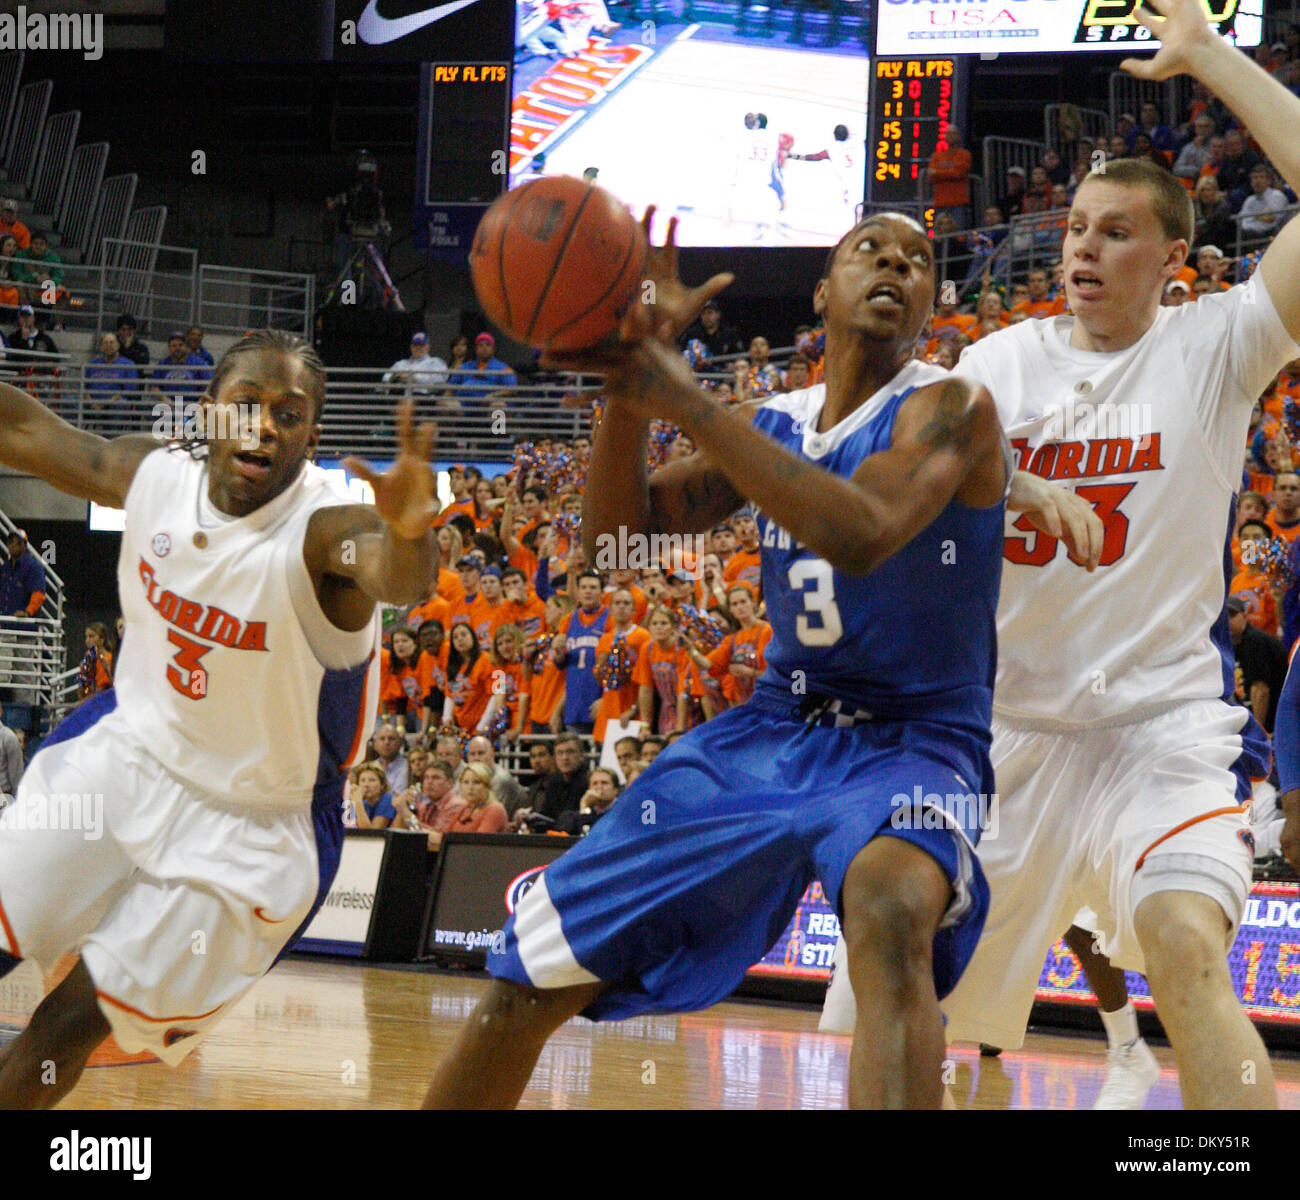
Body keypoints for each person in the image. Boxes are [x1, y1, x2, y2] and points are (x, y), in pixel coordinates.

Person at [425, 202, 1087, 1111]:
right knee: (526, 977)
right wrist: (624, 388)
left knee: (892, 913)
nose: (895, 264)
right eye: (870, 250)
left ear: (933, 302)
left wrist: (682, 399)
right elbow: (615, 542)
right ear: (822, 292)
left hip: (916, 742)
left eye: (919, 259)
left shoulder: (953, 408)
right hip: (768, 734)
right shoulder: (771, 423)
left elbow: (862, 532)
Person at [824, 0, 1300, 1109]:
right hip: (996, 737)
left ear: (1174, 255)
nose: (1083, 246)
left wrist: (1210, 57)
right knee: (901, 1017)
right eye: (1077, 227)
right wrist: (1015, 481)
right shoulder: (993, 366)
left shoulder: (1216, 346)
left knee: (1186, 945)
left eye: (1115, 231)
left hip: (1158, 731)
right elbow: (875, 479)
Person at [0, 328, 438, 1107]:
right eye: (246, 404)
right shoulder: (153, 476)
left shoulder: (326, 529)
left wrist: (409, 530)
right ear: (209, 411)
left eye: (291, 413)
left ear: (313, 433)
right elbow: (27, 430)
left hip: (254, 823)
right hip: (130, 755)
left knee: (66, 1024)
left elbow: (394, 575)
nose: (265, 425)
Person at [1228, 594, 1287, 732]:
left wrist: (1258, 731)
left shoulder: (1255, 641)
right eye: (1223, 616)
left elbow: (1260, 690)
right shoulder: (1230, 643)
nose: (1227, 620)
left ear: (1245, 616)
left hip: (1276, 720)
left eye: (1232, 615)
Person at [446, 333, 516, 402]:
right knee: (444, 404)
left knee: (498, 406)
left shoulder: (503, 368)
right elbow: (450, 391)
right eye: (480, 345)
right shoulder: (463, 368)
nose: (484, 348)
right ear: (476, 349)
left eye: (488, 345)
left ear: (493, 349)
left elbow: (512, 389)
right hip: (464, 407)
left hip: (490, 406)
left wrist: (494, 395)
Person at [927, 126, 972, 230]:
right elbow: (931, 177)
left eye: (953, 133)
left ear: (959, 136)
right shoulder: (936, 156)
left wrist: (938, 173)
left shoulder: (964, 155)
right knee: (939, 236)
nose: (951, 136)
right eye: (948, 133)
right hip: (940, 203)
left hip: (958, 203)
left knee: (958, 236)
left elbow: (959, 173)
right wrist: (949, 173)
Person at [445, 761, 508, 834]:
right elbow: (446, 835)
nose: (470, 787)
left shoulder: (495, 809)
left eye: (476, 782)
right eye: (466, 782)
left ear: (487, 786)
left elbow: (479, 841)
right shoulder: (465, 808)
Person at [384, 332, 448, 396]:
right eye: (416, 345)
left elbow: (440, 380)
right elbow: (386, 377)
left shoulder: (435, 362)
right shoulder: (401, 363)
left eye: (422, 345)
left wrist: (415, 378)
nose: (418, 347)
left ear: (428, 347)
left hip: (424, 397)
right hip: (400, 396)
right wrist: (398, 378)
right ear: (411, 347)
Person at [350, 762, 396, 830]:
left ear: (382, 785)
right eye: (362, 780)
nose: (366, 785)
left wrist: (358, 802)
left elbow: (372, 834)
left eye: (372, 780)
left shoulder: (388, 799)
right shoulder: (364, 803)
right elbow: (348, 828)